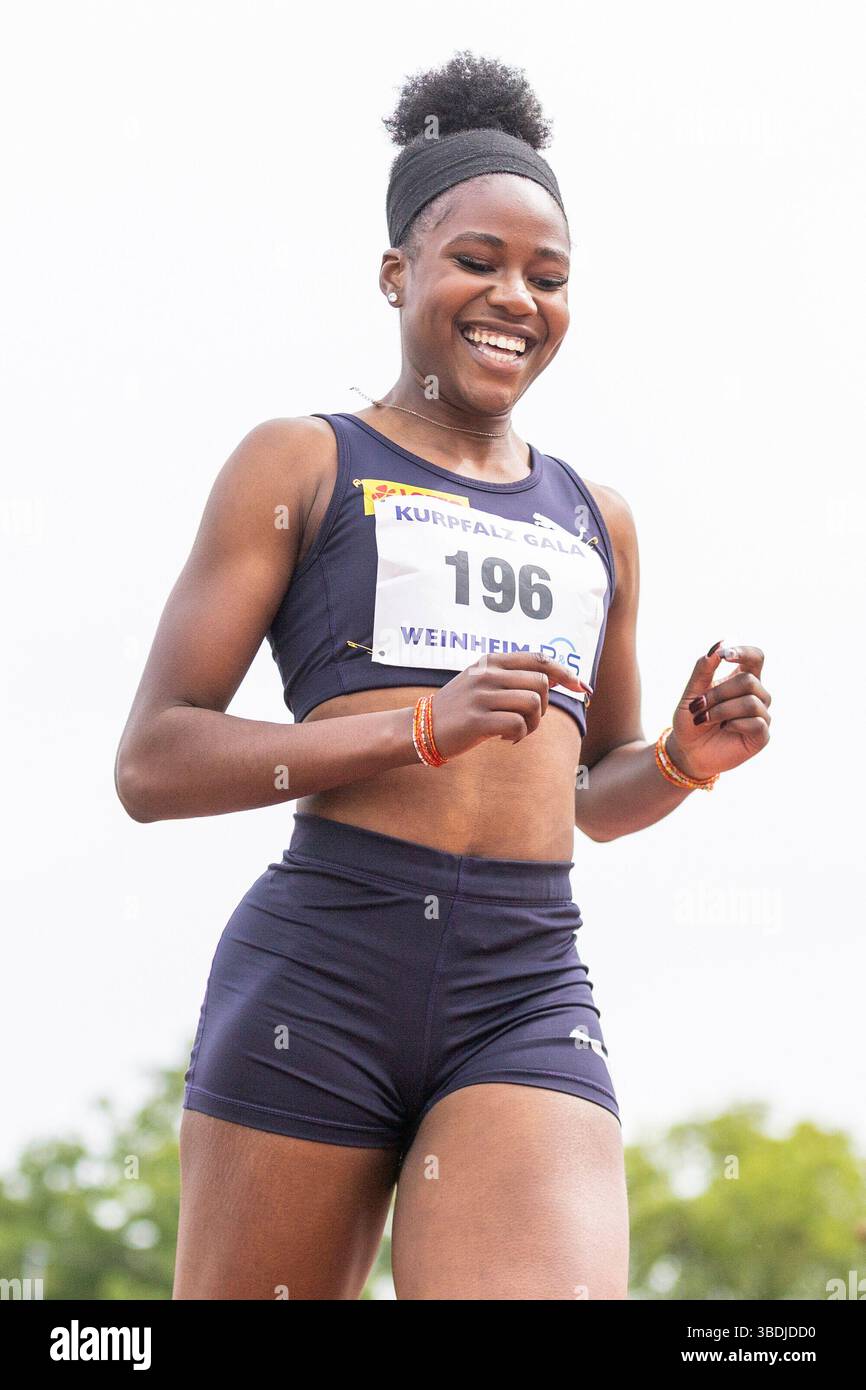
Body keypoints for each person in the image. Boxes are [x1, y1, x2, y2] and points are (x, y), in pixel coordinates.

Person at [115, 49, 772, 1300]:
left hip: (522, 979)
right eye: (476, 260)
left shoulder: (596, 516)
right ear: (396, 272)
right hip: (325, 961)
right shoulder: (300, 462)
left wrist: (682, 762)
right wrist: (417, 726)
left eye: (548, 275)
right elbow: (152, 760)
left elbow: (589, 790)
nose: (513, 297)